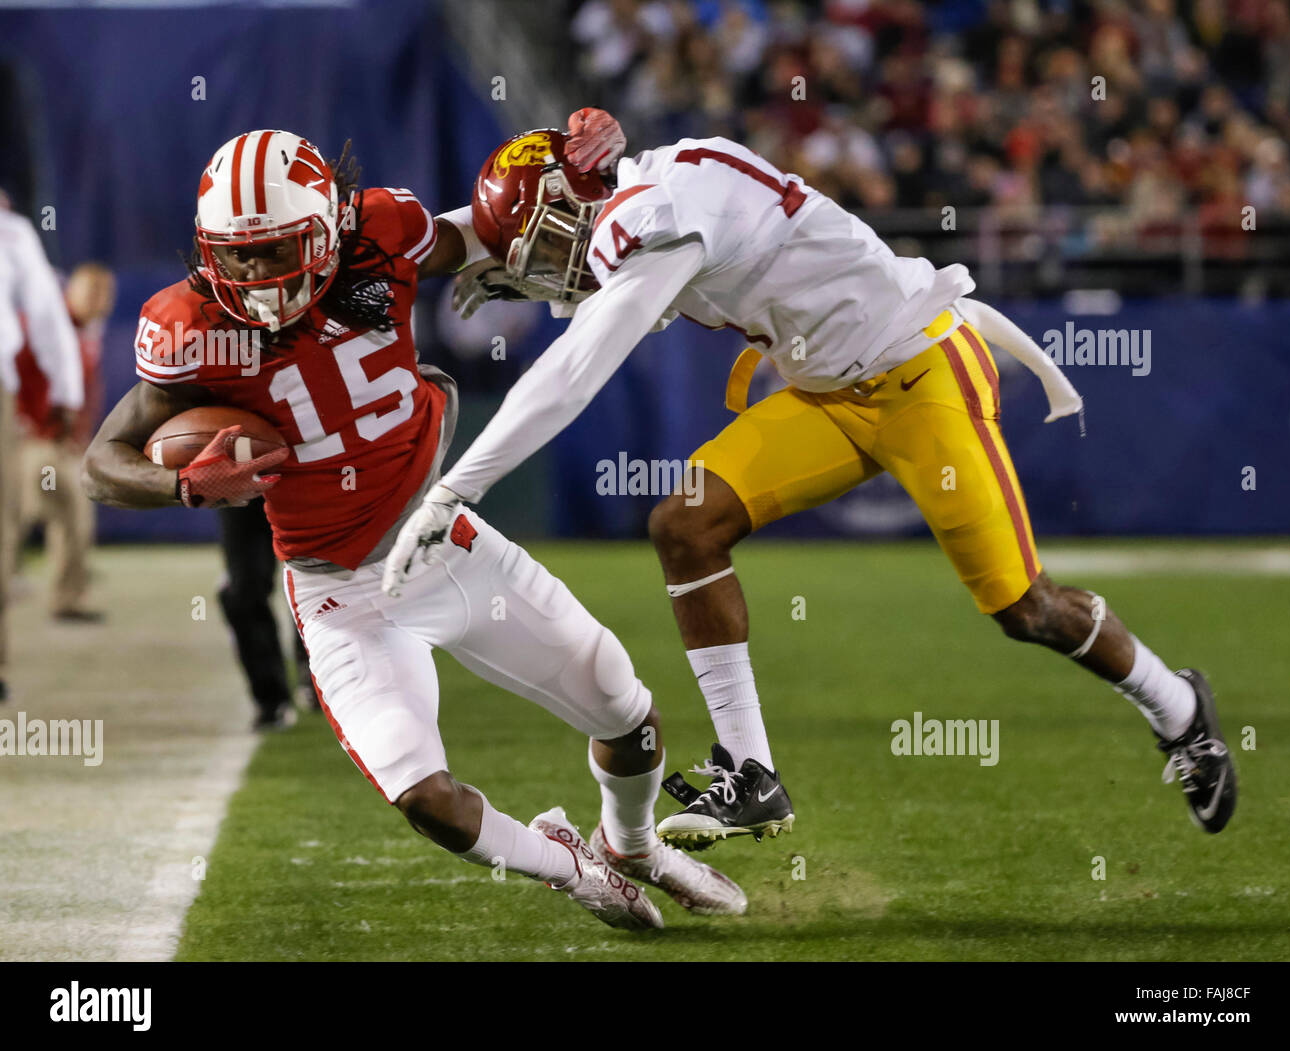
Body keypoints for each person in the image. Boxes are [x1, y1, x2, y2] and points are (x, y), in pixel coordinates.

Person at [384, 118, 1237, 849]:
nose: (539, 272)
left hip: (921, 371)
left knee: (1025, 608)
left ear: (583, 205)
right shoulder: (643, 186)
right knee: (686, 523)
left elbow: (573, 372)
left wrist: (456, 489)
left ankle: (1177, 705)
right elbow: (483, 227)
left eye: (545, 249)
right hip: (827, 391)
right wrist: (364, 241)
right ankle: (751, 772)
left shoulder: (656, 215)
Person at [81, 120, 745, 930]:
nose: (253, 276)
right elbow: (101, 462)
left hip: (442, 545)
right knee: (427, 799)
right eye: (236, 254)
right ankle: (569, 863)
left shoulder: (381, 237)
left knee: (628, 715)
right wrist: (182, 482)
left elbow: (489, 229)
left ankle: (633, 842)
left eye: (276, 251)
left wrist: (565, 166)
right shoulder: (189, 327)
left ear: (327, 232)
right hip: (339, 595)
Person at [0, 194, 84, 702]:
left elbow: (49, 315)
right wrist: (67, 393)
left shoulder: (11, 231)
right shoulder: (11, 231)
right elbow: (48, 315)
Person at [12, 261, 114, 622]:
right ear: (70, 291)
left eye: (103, 293)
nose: (97, 299)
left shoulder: (87, 333)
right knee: (26, 514)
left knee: (70, 515)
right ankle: (60, 593)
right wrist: (22, 418)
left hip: (64, 443)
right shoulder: (44, 325)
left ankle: (66, 596)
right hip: (34, 440)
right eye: (90, 291)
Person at [216, 497, 315, 730]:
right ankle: (272, 699)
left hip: (303, 475)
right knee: (242, 594)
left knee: (317, 578)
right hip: (238, 485)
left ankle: (315, 673)